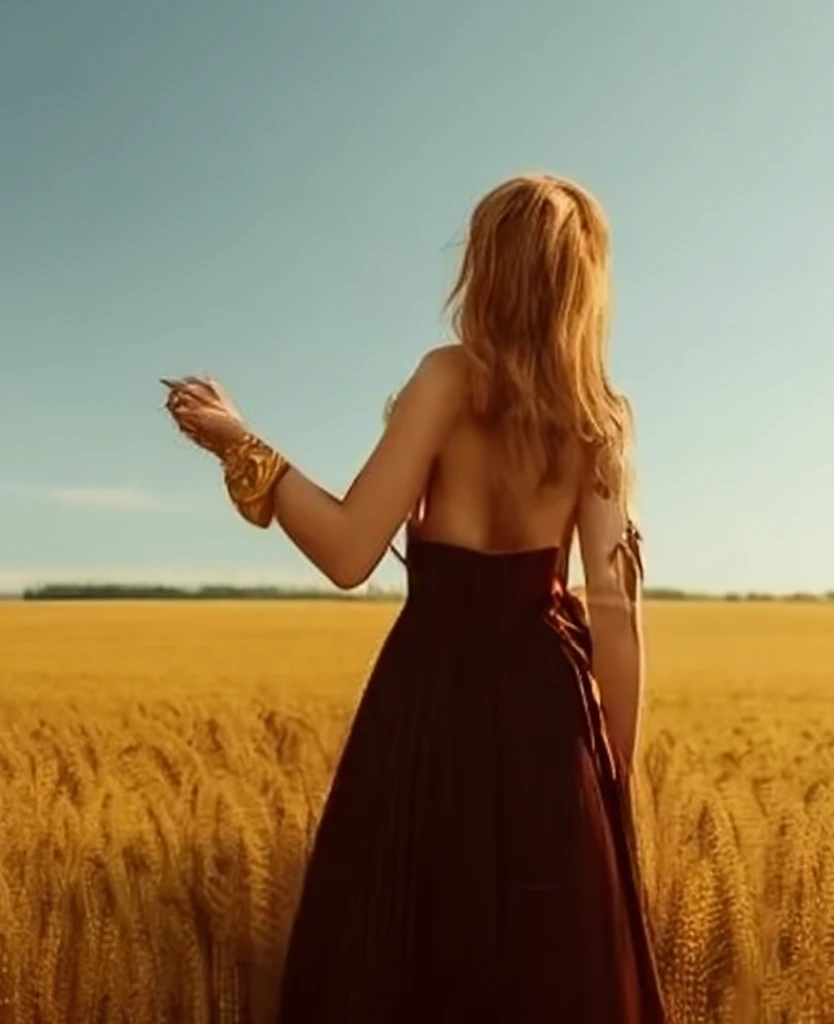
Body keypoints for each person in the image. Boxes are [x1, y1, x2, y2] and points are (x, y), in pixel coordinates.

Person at [163, 173, 666, 1023]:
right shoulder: (600, 419)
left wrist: (237, 444)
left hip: (432, 702)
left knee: (409, 956)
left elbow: (351, 549)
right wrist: (609, 781)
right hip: (553, 715)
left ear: (488, 268)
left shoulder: (445, 381)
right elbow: (616, 613)